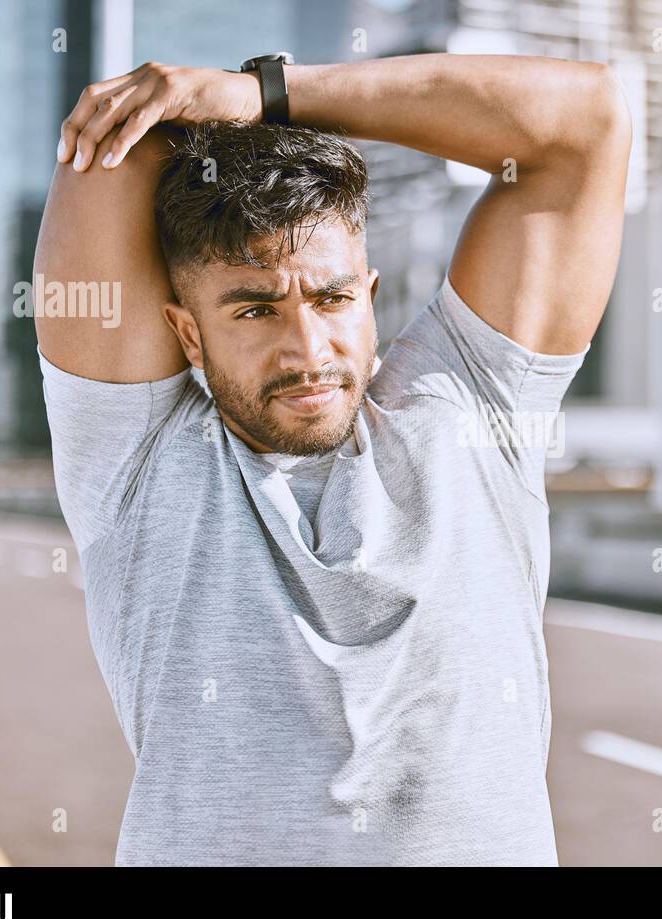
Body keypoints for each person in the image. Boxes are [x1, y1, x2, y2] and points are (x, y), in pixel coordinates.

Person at [34, 52, 630, 865]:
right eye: (255, 308)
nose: (307, 348)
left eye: (330, 298)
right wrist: (221, 117)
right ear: (186, 332)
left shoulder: (474, 406)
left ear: (370, 295)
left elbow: (585, 122)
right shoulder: (139, 453)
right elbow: (120, 145)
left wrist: (268, 94)